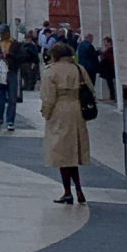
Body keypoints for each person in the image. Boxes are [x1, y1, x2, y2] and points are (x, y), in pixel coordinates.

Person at [39, 37, 90, 205]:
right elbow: (91, 89)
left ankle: (68, 191)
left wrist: (46, 113)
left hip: (60, 111)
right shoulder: (79, 69)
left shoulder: (51, 72)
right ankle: (79, 189)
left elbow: (49, 97)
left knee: (62, 154)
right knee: (74, 153)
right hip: (77, 111)